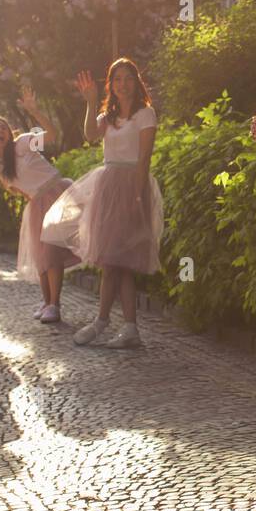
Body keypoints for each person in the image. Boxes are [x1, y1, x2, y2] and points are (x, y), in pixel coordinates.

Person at [41, 58, 164, 349]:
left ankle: (105, 322)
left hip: (131, 185)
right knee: (114, 262)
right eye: (117, 79)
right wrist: (90, 101)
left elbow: (144, 158)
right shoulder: (107, 117)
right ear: (111, 85)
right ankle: (124, 327)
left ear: (137, 82)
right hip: (107, 188)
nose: (123, 84)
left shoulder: (145, 114)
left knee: (117, 262)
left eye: (128, 78)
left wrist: (136, 195)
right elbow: (89, 135)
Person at [0, 87, 79, 323]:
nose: (0, 130)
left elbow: (50, 135)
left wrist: (35, 111)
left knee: (52, 252)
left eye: (2, 126)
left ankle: (55, 304)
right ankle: (46, 301)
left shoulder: (23, 143)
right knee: (41, 256)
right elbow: (19, 190)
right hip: (36, 205)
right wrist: (35, 203)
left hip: (55, 193)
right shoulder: (0, 169)